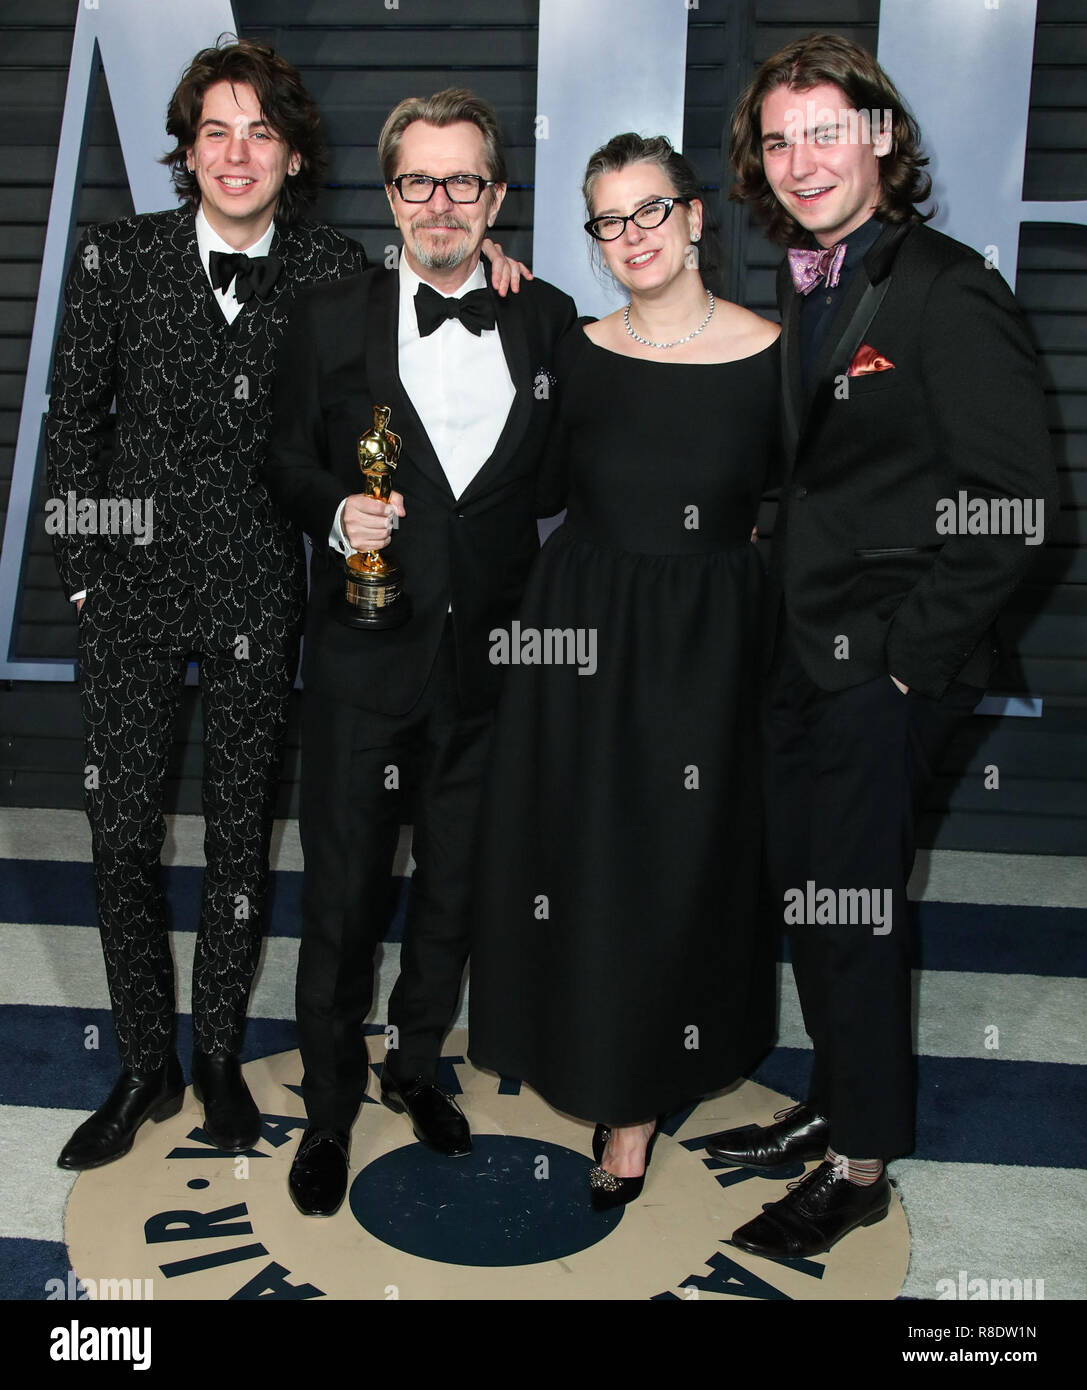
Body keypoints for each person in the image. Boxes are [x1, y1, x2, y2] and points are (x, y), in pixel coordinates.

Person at [46, 40, 522, 1172]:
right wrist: (83, 566)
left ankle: (214, 1056)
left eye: (260, 131)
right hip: (129, 592)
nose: (236, 152)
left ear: (294, 154)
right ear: (187, 152)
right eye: (215, 131)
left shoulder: (335, 268)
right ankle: (140, 1065)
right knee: (120, 835)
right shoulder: (117, 256)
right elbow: (74, 422)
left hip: (267, 587)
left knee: (243, 843)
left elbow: (423, 305)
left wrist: (493, 265)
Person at [703, 33, 1058, 1258]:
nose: (800, 160)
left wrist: (908, 659)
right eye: (780, 137)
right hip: (800, 656)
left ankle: (857, 1169)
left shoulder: (947, 287)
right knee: (812, 899)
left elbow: (1019, 503)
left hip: (883, 671)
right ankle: (838, 1100)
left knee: (852, 910)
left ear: (883, 139)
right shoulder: (811, 279)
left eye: (825, 132)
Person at [263, 89, 577, 1217]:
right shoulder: (328, 314)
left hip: (490, 669)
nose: (438, 203)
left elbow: (576, 475)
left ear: (495, 197)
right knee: (343, 898)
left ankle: (415, 1062)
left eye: (463, 183)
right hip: (361, 660)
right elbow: (283, 462)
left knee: (454, 891)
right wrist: (336, 510)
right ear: (387, 193)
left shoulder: (545, 317)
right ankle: (331, 1108)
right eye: (416, 181)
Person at [467, 133, 781, 1210]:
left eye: (652, 211)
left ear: (696, 217)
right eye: (610, 221)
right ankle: (615, 1087)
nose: (633, 236)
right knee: (593, 861)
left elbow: (811, 510)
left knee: (684, 862)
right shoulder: (574, 345)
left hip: (711, 639)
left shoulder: (779, 353)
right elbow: (527, 481)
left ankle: (654, 1076)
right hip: (587, 632)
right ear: (594, 243)